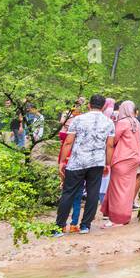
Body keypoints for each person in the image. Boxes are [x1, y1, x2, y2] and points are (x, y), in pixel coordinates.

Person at [53, 95, 115, 235]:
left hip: (77, 161)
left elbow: (68, 142)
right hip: (97, 162)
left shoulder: (78, 119)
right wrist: (108, 164)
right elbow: (109, 145)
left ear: (89, 105)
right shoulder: (109, 122)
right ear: (104, 106)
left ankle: (59, 227)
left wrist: (63, 161)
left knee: (68, 193)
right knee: (93, 193)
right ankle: (85, 226)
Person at [102, 100, 140, 226]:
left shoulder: (123, 122)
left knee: (117, 189)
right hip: (134, 158)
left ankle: (116, 220)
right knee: (128, 189)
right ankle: (125, 217)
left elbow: (113, 140)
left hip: (122, 159)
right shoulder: (137, 122)